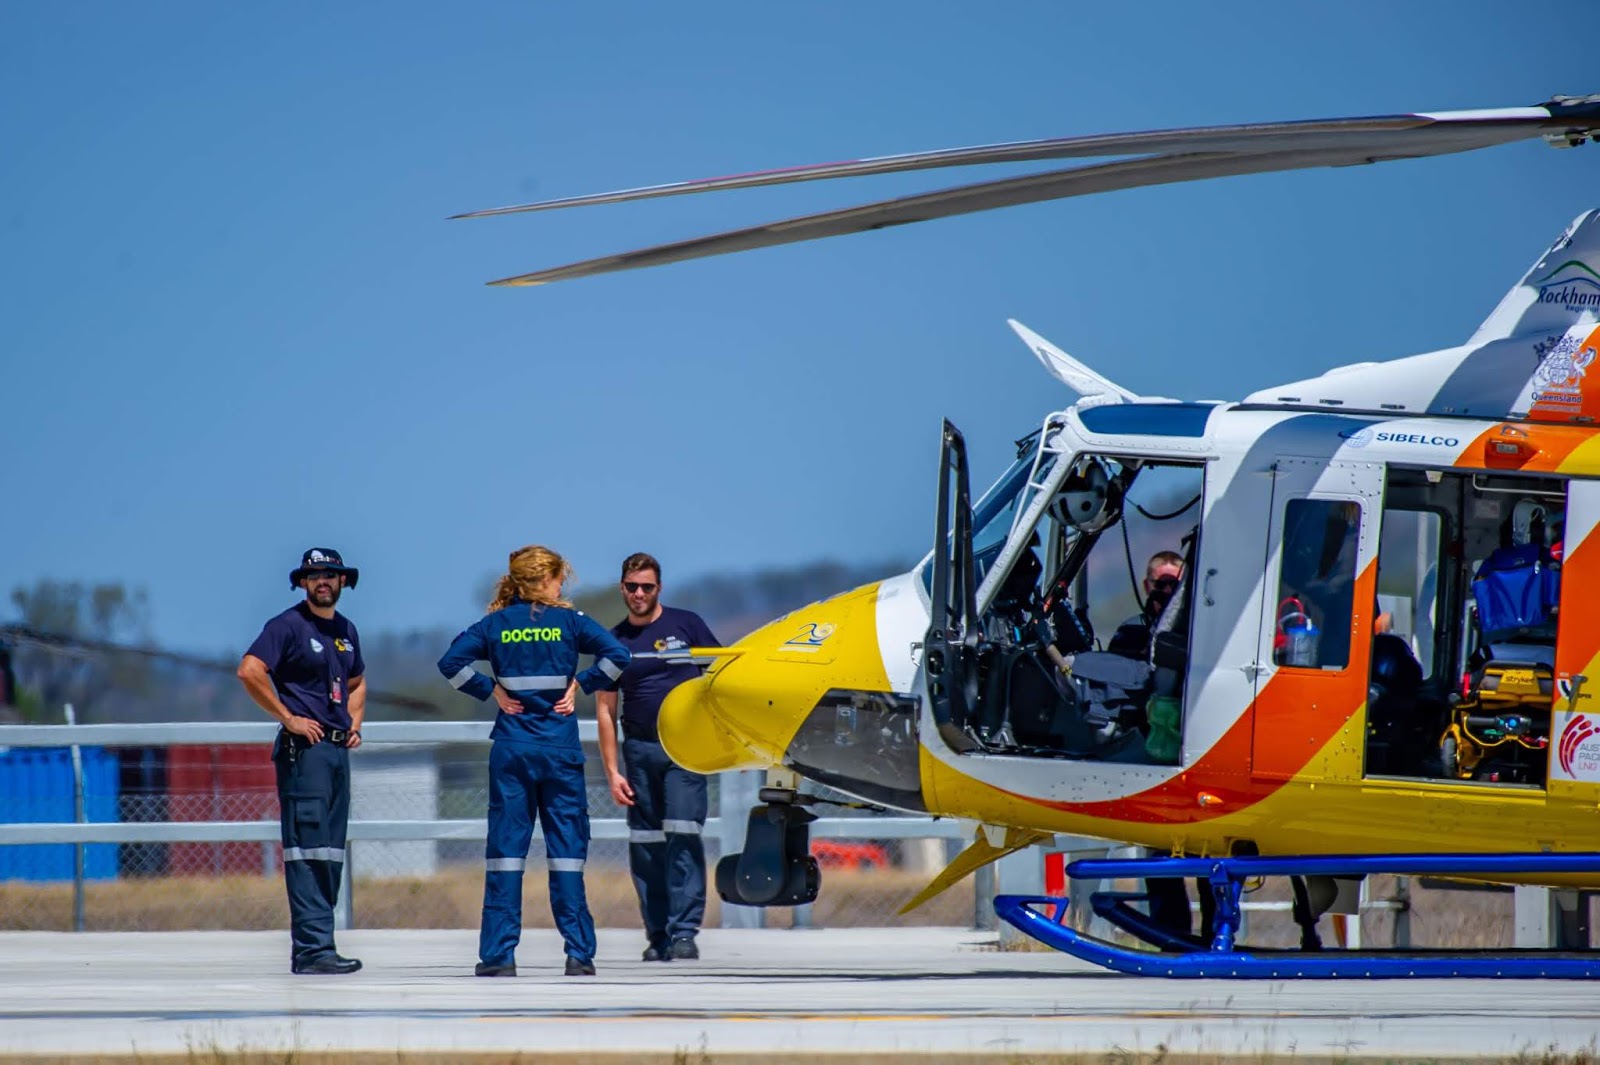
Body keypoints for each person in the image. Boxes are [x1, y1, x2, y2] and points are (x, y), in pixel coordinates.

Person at [437, 545, 630, 978]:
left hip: (512, 749)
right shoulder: (571, 623)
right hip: (559, 752)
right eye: (560, 578)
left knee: (506, 855)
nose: (563, 586)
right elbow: (620, 657)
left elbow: (450, 663)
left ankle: (498, 956)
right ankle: (579, 954)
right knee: (566, 856)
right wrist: (582, 682)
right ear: (546, 580)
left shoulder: (495, 624)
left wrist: (491, 691)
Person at [236, 547, 366, 975]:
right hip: (304, 754)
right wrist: (288, 718)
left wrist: (354, 723)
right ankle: (314, 951)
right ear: (302, 583)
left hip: (335, 752)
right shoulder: (287, 626)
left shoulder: (346, 630)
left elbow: (358, 680)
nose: (322, 581)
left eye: (330, 574)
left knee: (329, 852)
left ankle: (317, 946)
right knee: (307, 851)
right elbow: (250, 670)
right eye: (314, 576)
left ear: (343, 581)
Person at [595, 552, 721, 962]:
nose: (639, 593)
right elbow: (605, 710)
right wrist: (613, 771)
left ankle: (684, 933)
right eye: (632, 587)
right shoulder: (612, 642)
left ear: (658, 588)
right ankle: (659, 936)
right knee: (647, 845)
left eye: (647, 586)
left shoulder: (687, 625)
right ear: (622, 588)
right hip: (640, 749)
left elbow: (719, 676)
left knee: (683, 834)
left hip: (685, 749)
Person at [1108, 550, 1184, 661]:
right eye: (1160, 584)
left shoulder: (1196, 628)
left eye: (1174, 584)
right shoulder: (1130, 630)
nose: (1168, 591)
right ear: (1147, 586)